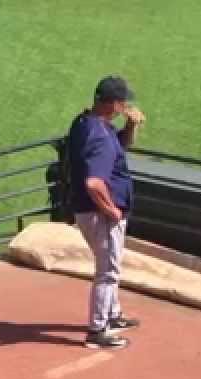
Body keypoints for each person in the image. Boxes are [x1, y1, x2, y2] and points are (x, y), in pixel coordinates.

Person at [66, 75, 146, 349]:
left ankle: (111, 315)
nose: (126, 106)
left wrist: (131, 127)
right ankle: (97, 330)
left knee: (109, 266)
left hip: (89, 211)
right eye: (123, 102)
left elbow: (116, 149)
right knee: (108, 271)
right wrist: (111, 210)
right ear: (112, 104)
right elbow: (94, 182)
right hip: (99, 214)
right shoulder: (98, 134)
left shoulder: (87, 122)